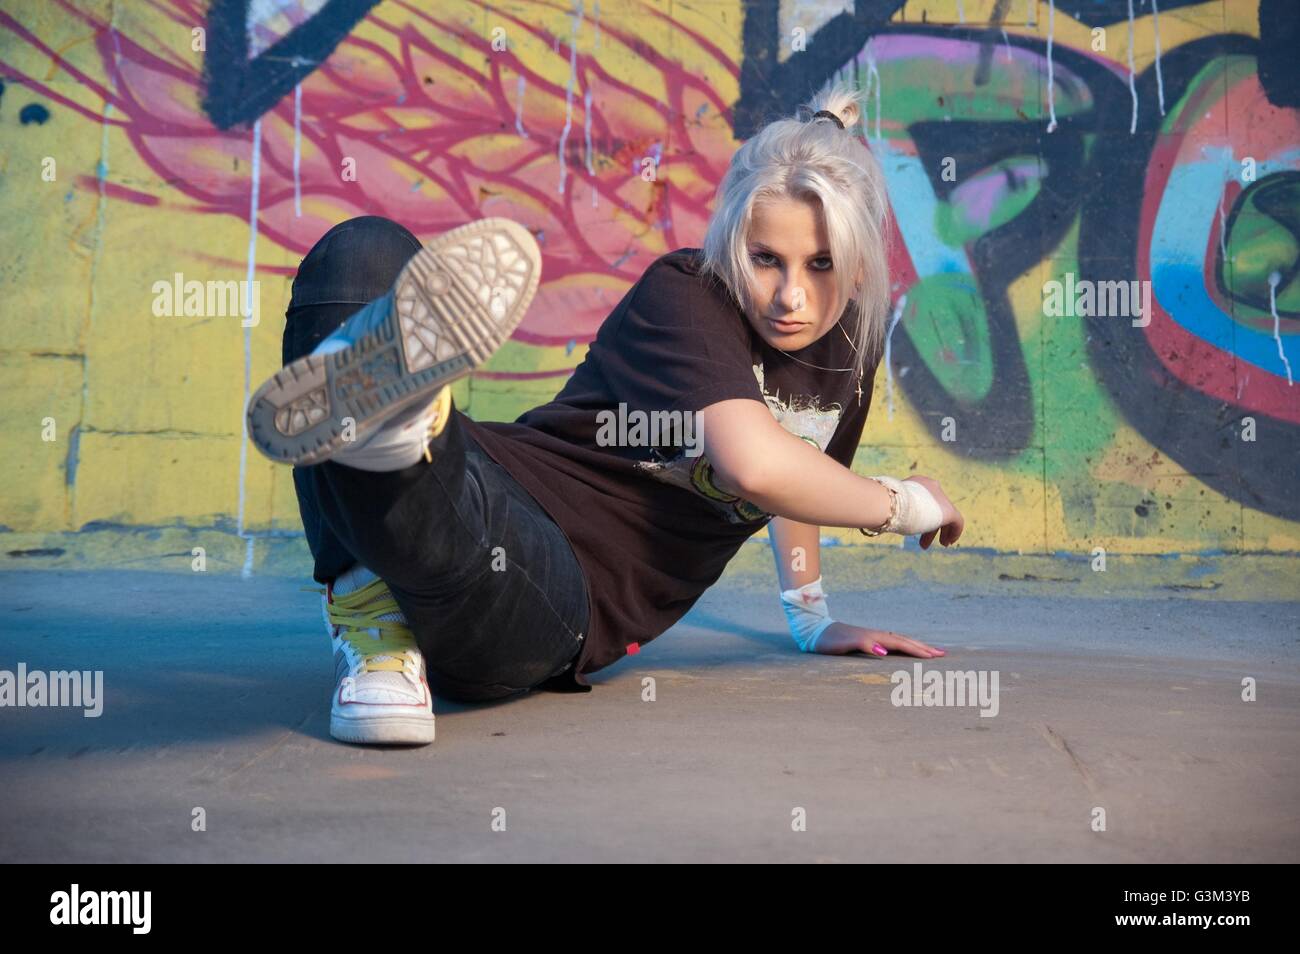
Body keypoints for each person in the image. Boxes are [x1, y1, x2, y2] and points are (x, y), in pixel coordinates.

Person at [246, 82, 965, 747]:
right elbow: (755, 463)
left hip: (559, 596)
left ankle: (392, 461)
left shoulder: (849, 345)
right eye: (765, 258)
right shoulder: (689, 296)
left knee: (407, 467)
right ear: (730, 245)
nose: (789, 295)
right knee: (361, 252)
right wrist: (908, 505)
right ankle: (397, 471)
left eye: (821, 264)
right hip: (498, 476)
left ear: (861, 266)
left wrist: (811, 618)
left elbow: (792, 467)